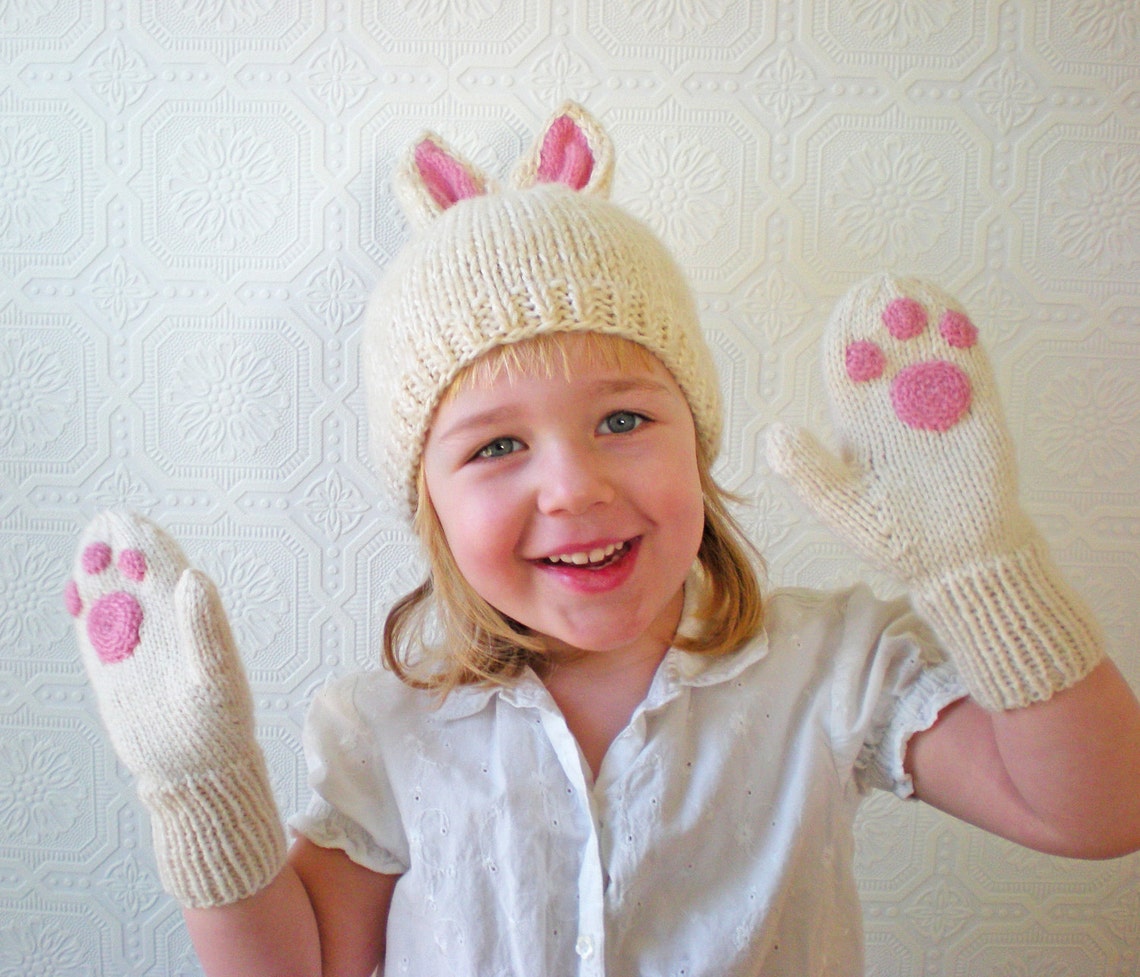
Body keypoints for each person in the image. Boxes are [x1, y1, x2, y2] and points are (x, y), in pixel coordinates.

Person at [65, 103, 1140, 977]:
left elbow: (1100, 809)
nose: (574, 486)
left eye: (623, 419)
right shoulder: (387, 730)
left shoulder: (834, 669)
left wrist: (978, 567)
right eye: (496, 446)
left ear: (697, 441)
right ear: (429, 502)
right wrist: (198, 783)